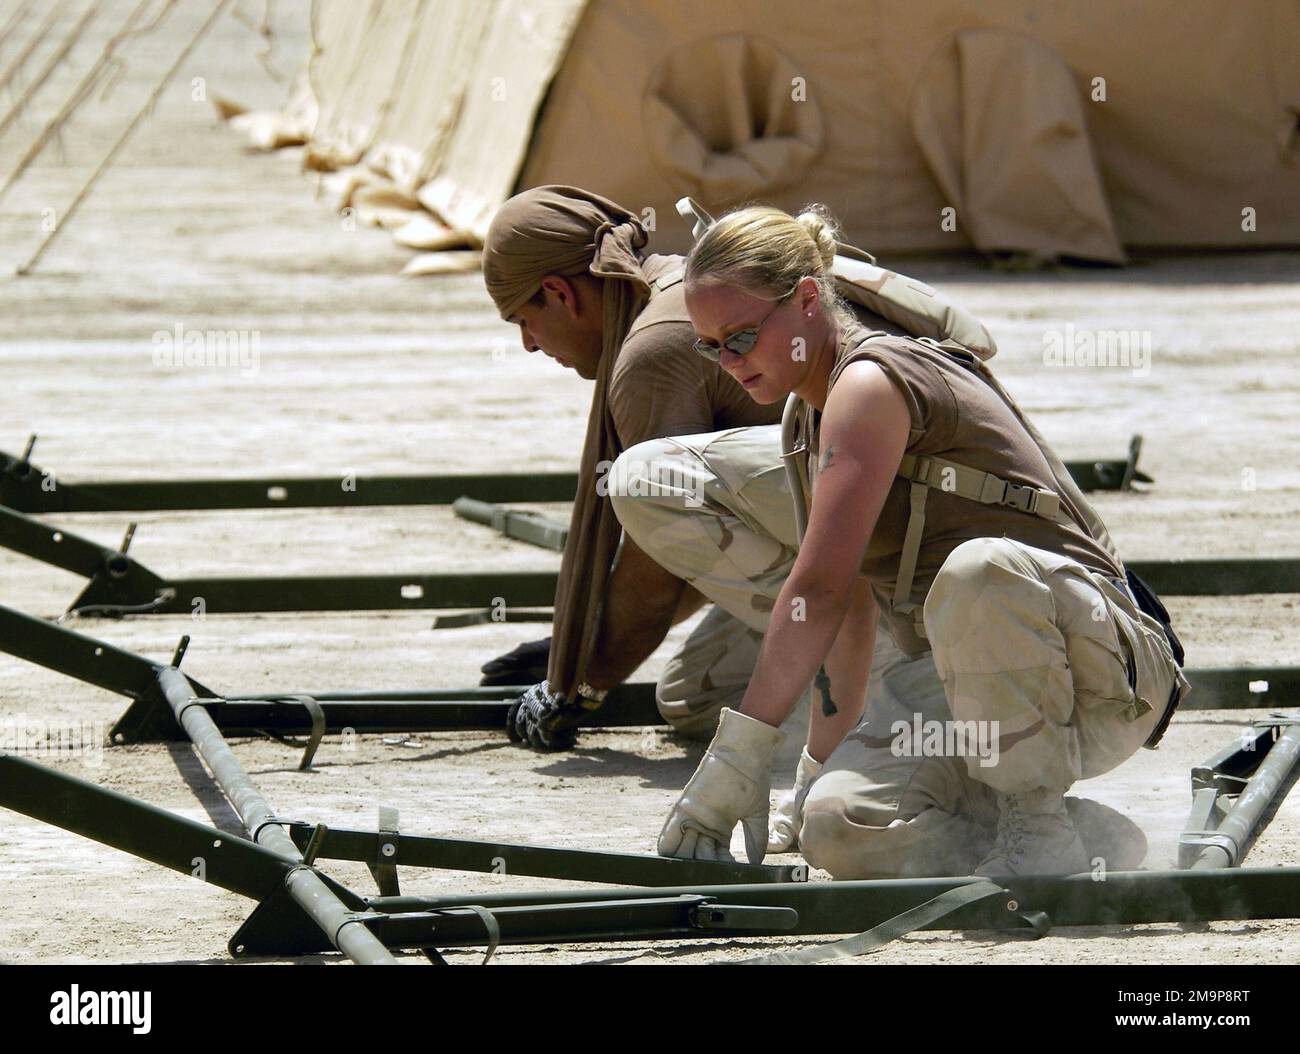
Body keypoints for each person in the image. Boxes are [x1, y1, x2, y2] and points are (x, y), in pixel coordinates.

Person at [616, 203, 1188, 876]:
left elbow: (818, 591)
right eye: (710, 347)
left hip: (1100, 675)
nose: (728, 364)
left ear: (805, 301)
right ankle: (1068, 834)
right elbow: (847, 613)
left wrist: (738, 756)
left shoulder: (870, 381)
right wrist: (812, 775)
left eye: (739, 337)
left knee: (979, 571)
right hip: (961, 682)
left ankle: (1036, 827)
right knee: (838, 831)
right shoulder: (809, 415)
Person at [479, 186, 788, 750]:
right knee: (697, 699)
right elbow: (709, 544)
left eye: (523, 321)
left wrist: (578, 685)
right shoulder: (678, 285)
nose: (527, 345)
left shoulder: (651, 354)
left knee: (645, 486)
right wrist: (577, 644)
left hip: (904, 560)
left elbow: (658, 568)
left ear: (559, 293)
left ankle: (888, 690)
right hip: (864, 525)